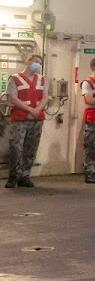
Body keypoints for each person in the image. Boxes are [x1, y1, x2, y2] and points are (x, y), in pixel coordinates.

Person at [6, 54, 47, 188]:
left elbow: (45, 97)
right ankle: (14, 176)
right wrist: (30, 110)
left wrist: (37, 111)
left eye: (39, 63)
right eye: (35, 62)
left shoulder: (42, 79)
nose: (37, 65)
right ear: (27, 62)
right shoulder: (15, 79)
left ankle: (25, 176)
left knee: (31, 148)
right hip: (20, 119)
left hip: (36, 119)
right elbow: (12, 97)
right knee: (16, 148)